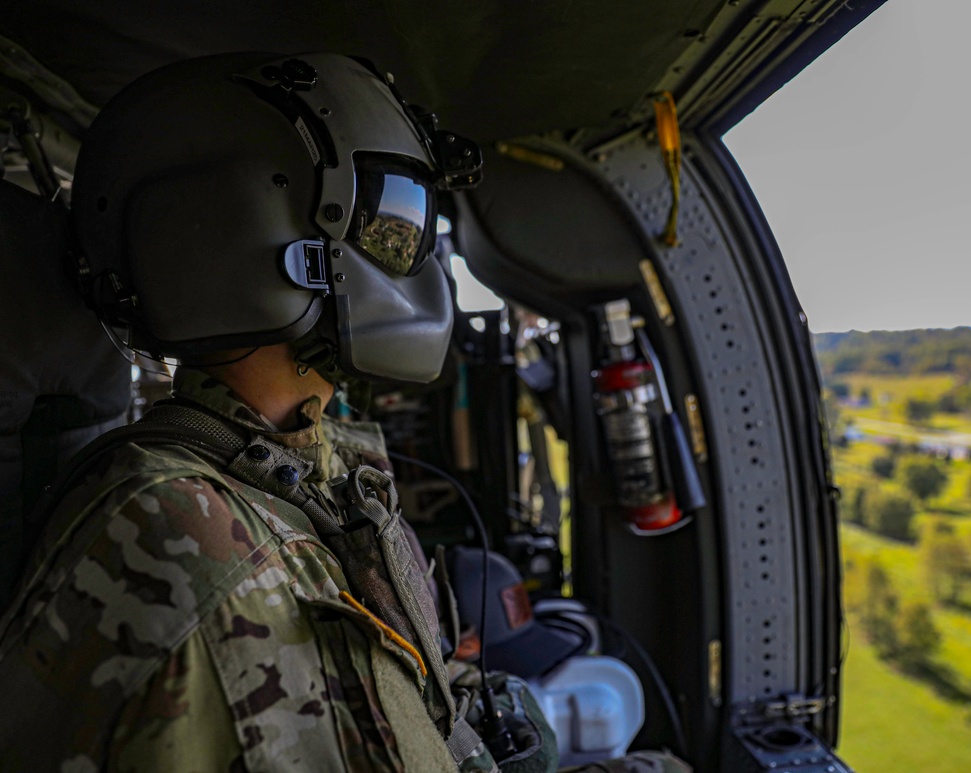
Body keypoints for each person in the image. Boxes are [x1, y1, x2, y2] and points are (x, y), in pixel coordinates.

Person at [0, 52, 689, 773]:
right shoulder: (196, 545)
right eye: (393, 217)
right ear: (243, 230)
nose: (414, 256)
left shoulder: (298, 473)